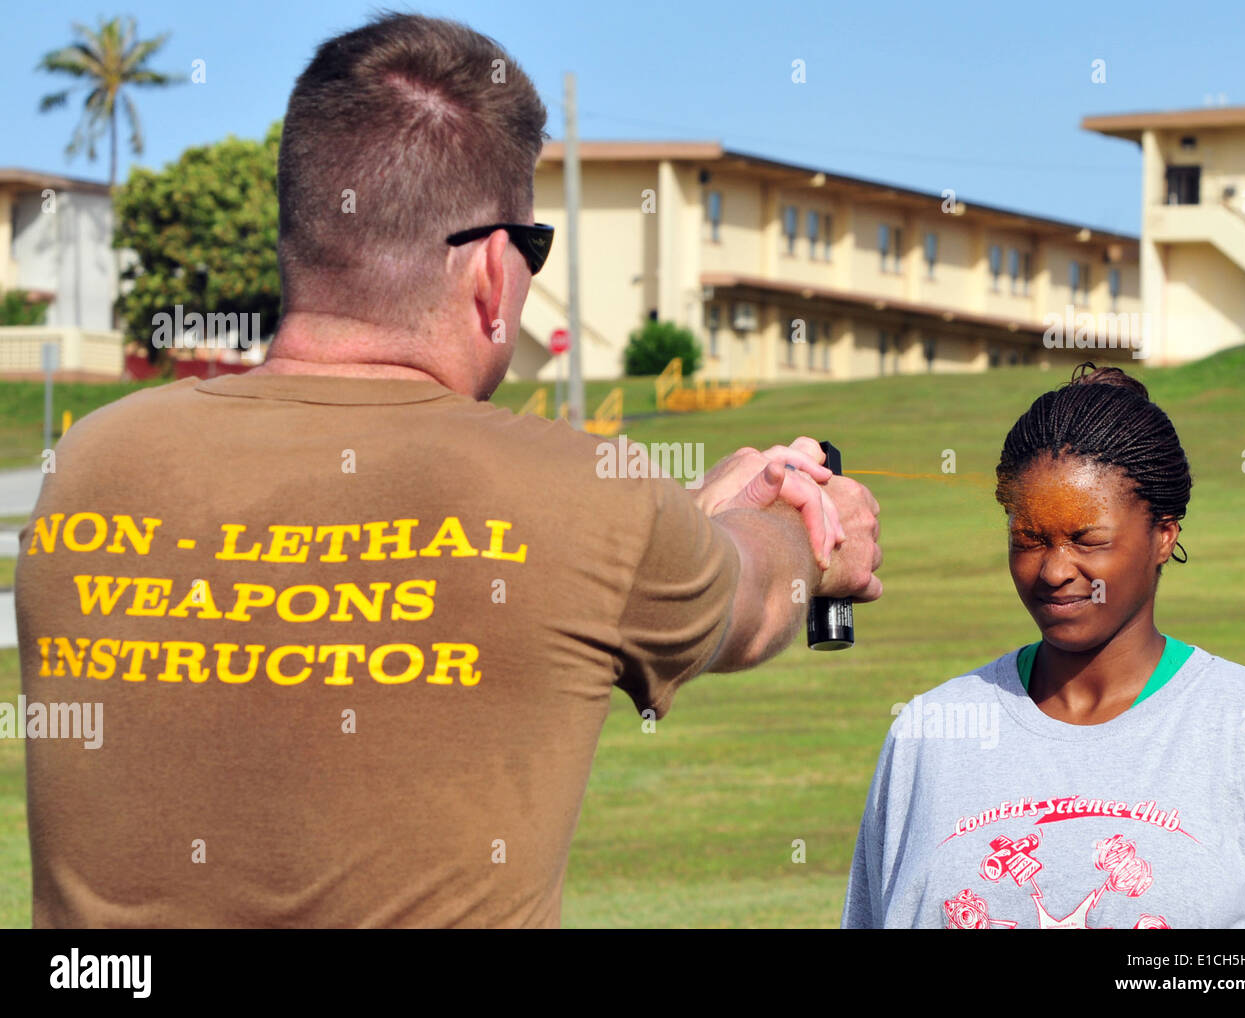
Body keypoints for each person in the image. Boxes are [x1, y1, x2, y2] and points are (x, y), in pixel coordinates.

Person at [16, 13, 882, 928]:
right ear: (491, 271)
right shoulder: (585, 500)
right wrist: (810, 531)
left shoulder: (91, 463)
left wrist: (685, 525)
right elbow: (750, 601)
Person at [841, 363, 1245, 929]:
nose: (1055, 570)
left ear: (1164, 534)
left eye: (1089, 540)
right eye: (1029, 539)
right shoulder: (930, 733)